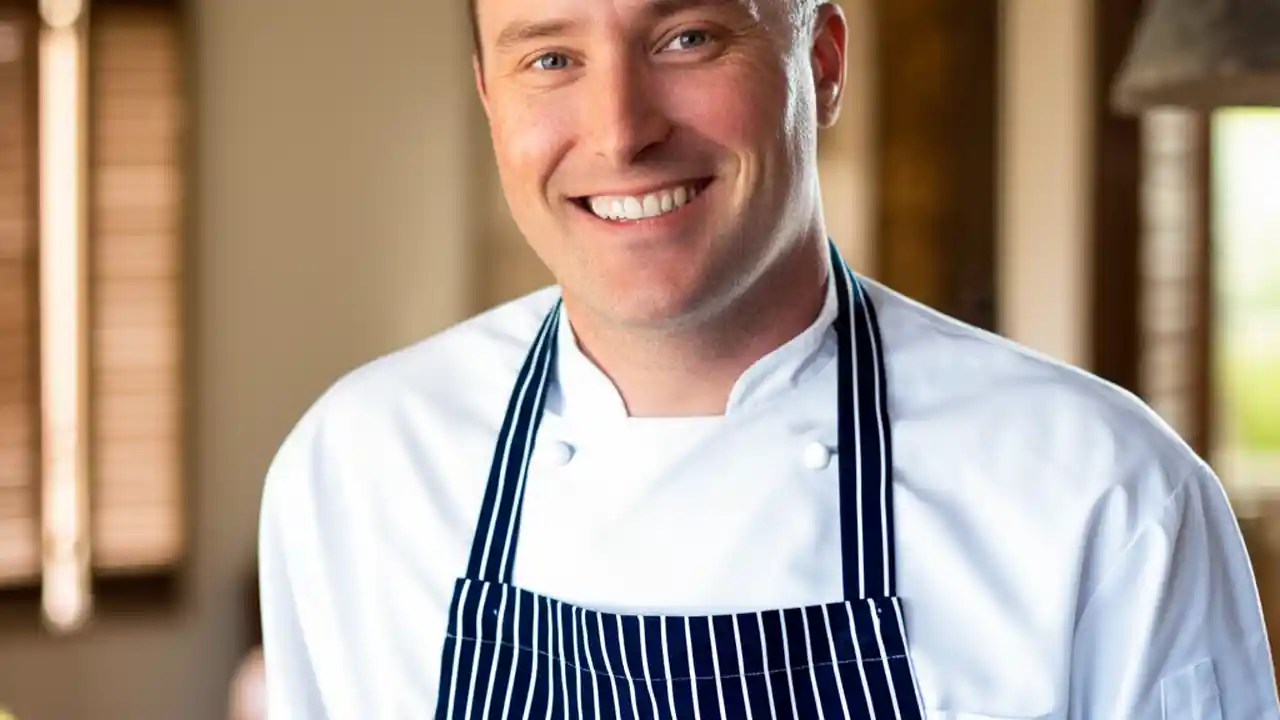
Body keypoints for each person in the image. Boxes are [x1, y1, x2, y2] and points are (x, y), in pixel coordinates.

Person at [258, 0, 1280, 716]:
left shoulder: (1101, 497)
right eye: (550, 58)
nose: (620, 132)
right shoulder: (358, 471)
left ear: (821, 62)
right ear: (491, 97)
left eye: (688, 36)